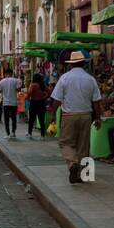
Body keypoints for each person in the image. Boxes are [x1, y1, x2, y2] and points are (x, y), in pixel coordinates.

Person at [47, 52, 102, 183]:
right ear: (84, 63)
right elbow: (96, 101)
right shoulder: (90, 79)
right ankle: (83, 175)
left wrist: (53, 114)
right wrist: (98, 118)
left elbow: (57, 99)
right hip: (86, 115)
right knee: (83, 146)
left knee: (65, 142)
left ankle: (72, 164)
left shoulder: (65, 78)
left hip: (69, 116)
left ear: (71, 64)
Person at [0, 69, 23, 138]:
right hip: (13, 103)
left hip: (5, 103)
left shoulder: (2, 81)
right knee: (13, 118)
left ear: (6, 74)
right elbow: (19, 90)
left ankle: (8, 134)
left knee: (6, 119)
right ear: (12, 73)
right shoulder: (16, 81)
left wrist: (2, 97)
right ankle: (13, 132)